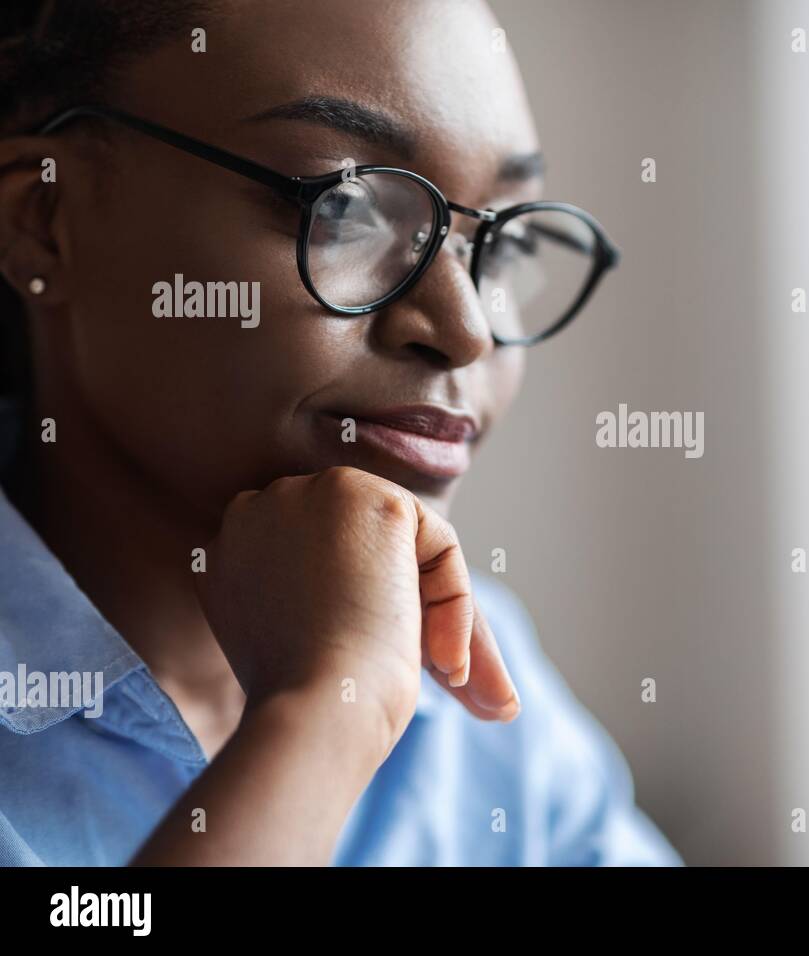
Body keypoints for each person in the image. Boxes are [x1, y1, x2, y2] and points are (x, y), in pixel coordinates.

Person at [0, 0, 680, 866]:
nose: (465, 329)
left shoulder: (475, 689)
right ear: (43, 219)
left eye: (500, 246)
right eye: (345, 208)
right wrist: (328, 711)